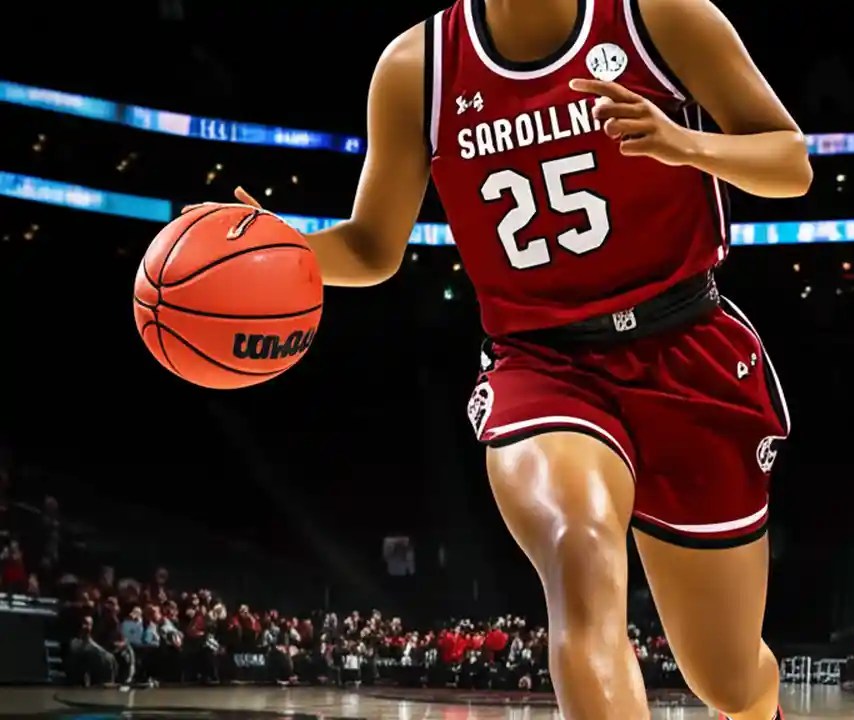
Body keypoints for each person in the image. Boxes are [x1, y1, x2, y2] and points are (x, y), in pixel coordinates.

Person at [192, 0, 809, 716]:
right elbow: (371, 247)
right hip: (543, 367)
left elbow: (789, 163)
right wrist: (277, 251)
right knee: (579, 554)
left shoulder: (661, 17)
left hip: (686, 348)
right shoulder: (415, 69)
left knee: (728, 679)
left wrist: (685, 143)